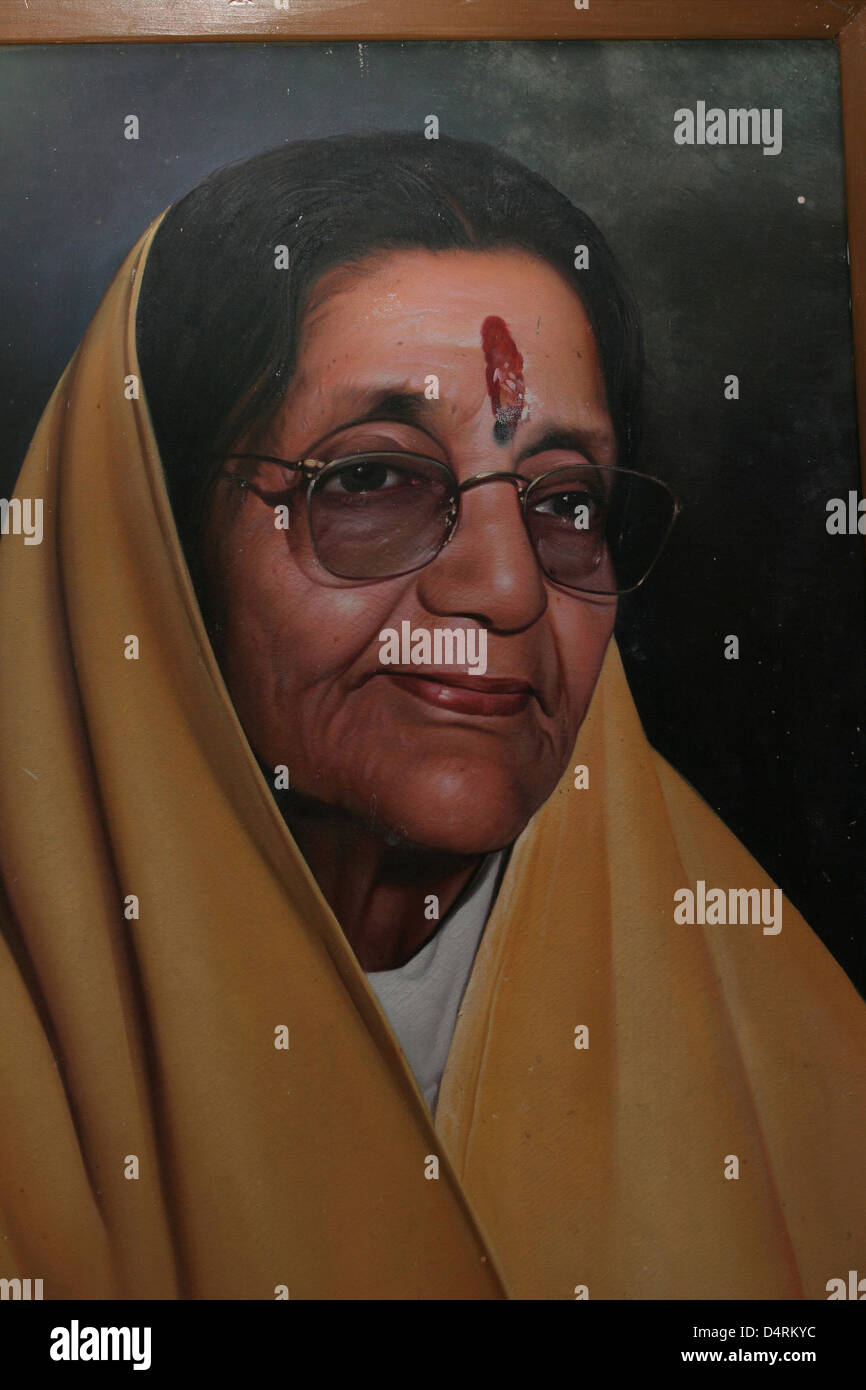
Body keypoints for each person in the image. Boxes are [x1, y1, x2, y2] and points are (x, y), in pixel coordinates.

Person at [0, 133, 863, 1301]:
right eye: (369, 480)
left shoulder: (792, 1061)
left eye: (564, 501)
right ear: (152, 546)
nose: (508, 588)